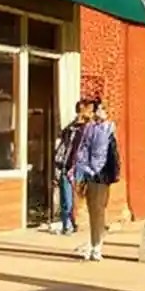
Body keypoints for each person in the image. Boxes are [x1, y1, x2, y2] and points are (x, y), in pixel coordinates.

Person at [74, 100, 120, 261]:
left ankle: (97, 246)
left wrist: (96, 170)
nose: (97, 112)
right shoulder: (90, 128)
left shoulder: (108, 129)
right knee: (92, 209)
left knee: (98, 210)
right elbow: (83, 149)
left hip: (101, 175)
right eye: (97, 109)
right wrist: (84, 169)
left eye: (101, 109)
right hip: (90, 174)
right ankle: (94, 243)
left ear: (107, 112)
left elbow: (106, 154)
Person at [52, 99, 93, 235]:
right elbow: (63, 147)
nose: (87, 114)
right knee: (66, 198)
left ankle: (76, 223)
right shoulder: (70, 129)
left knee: (80, 199)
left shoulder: (90, 129)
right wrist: (59, 165)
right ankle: (67, 225)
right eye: (85, 111)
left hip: (81, 168)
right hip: (67, 166)